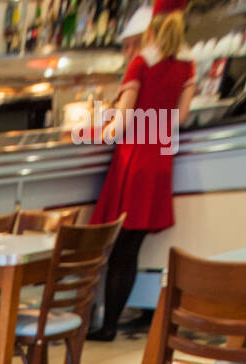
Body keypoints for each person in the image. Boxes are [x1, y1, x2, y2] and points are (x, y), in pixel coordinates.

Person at [88, 0, 195, 340]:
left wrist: (100, 131)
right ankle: (110, 322)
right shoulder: (187, 67)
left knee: (118, 248)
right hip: (161, 159)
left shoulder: (140, 63)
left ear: (150, 29)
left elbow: (121, 121)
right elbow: (180, 118)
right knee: (130, 248)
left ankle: (106, 327)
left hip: (135, 160)